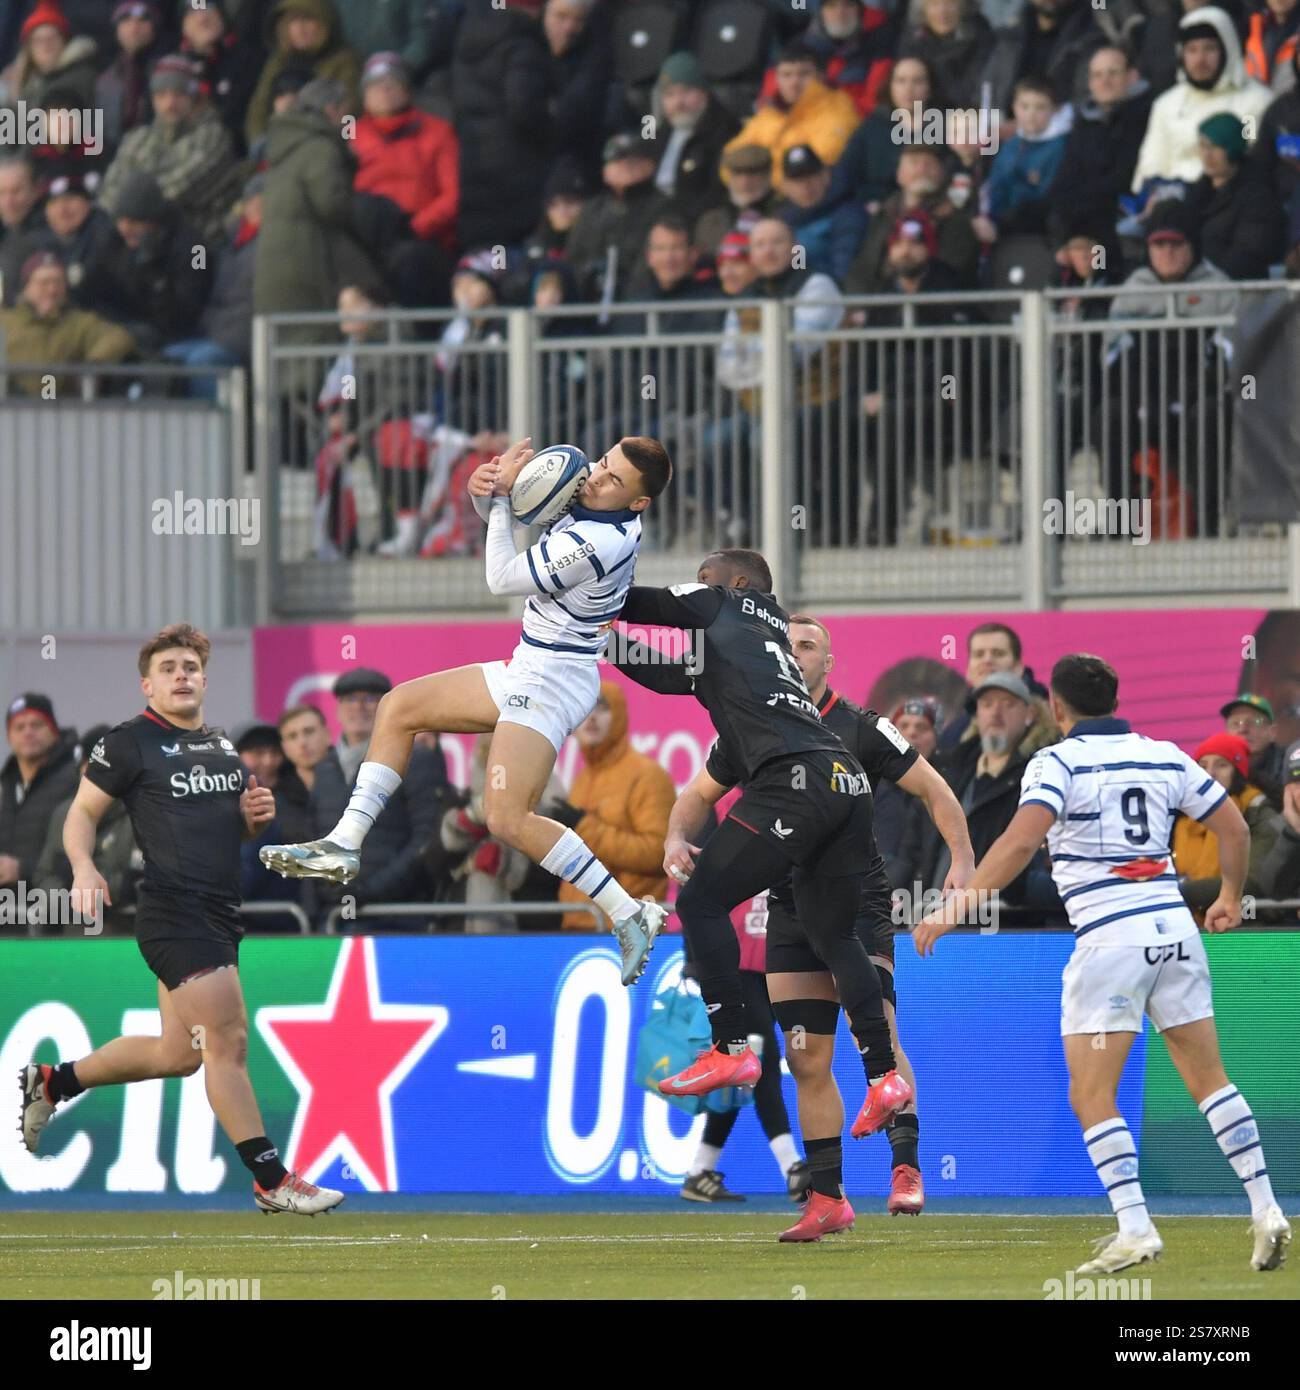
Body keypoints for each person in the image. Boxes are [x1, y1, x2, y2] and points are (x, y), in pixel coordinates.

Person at [915, 653, 1292, 1275]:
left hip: (1110, 938)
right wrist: (1227, 897)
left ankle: (1136, 1228)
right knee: (1212, 1080)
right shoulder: (1165, 753)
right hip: (1174, 929)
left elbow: (1018, 840)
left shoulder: (1056, 761)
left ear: (1056, 708)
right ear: (1115, 700)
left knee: (1091, 1092)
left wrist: (956, 906)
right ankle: (1266, 1207)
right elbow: (1234, 829)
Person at [259, 437, 674, 987]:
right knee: (399, 706)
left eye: (614, 480)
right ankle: (345, 843)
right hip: (530, 663)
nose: (597, 478)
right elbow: (522, 506)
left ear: (638, 503)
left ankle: (629, 912)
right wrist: (488, 488)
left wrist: (500, 505)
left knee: (506, 818)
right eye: (603, 464)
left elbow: (501, 578)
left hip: (554, 681)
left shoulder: (603, 538)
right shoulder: (593, 495)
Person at [608, 548, 914, 1242]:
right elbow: (663, 672)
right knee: (834, 936)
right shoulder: (757, 643)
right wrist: (603, 642)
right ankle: (881, 1081)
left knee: (702, 903)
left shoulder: (726, 604)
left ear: (735, 583)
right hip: (844, 784)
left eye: (707, 576)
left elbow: (640, 600)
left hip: (795, 779)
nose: (699, 588)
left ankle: (728, 1046)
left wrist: (577, 584)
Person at [21, 623, 344, 1215]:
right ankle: (271, 1179)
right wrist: (84, 869)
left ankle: (54, 1082)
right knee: (229, 1042)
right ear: (148, 683)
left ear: (203, 679)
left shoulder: (222, 746)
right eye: (168, 668)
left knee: (180, 1054)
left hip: (219, 915)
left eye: (190, 667)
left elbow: (233, 833)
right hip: (174, 913)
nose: (181, 675)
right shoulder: (129, 742)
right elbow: (80, 813)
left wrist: (255, 817)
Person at [760, 615, 976, 1221]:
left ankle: (904, 1167)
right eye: (786, 646)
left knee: (874, 1032)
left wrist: (961, 859)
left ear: (828, 663)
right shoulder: (754, 722)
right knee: (805, 1056)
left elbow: (934, 790)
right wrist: (680, 838)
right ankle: (826, 1196)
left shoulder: (862, 727)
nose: (795, 654)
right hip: (789, 908)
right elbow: (703, 792)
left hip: (857, 903)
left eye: (808, 646)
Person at [307, 667, 448, 924]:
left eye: (371, 699)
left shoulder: (416, 760)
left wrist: (369, 892)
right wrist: (317, 901)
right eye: (350, 699)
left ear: (388, 708)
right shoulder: (325, 768)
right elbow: (312, 837)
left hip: (397, 915)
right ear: (338, 709)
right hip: (332, 918)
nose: (359, 707)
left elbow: (426, 840)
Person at [917, 671, 1061, 909]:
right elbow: (918, 844)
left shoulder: (1041, 774)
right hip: (936, 914)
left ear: (1030, 715)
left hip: (1003, 924)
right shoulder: (950, 769)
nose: (996, 713)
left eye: (1009, 704)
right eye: (987, 704)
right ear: (976, 715)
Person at [557, 681, 675, 931]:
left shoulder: (648, 775)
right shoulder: (582, 779)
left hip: (629, 931)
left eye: (602, 707)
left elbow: (658, 854)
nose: (591, 717)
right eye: (584, 708)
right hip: (577, 926)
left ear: (619, 714)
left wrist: (585, 827)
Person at [99, 52, 243, 247]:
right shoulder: (137, 138)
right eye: (162, 95)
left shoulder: (213, 137)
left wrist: (132, 209)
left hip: (199, 246)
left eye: (178, 94)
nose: (169, 104)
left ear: (193, 97)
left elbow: (183, 188)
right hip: (136, 246)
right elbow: (109, 191)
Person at [1131, 6, 1272, 191]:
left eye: (1209, 48)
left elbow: (1249, 155)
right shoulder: (1167, 105)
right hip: (1167, 203)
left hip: (1225, 202)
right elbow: (1150, 165)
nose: (1200, 59)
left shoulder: (1253, 102)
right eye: (1192, 50)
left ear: (1227, 48)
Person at [1045, 44, 1155, 249]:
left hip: (1121, 216)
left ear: (1132, 77)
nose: (1105, 81)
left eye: (1113, 73)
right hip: (1082, 214)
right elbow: (1063, 181)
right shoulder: (1084, 123)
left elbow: (1126, 179)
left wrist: (1077, 200)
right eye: (1097, 75)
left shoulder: (1148, 117)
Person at [34, 723, 140, 931]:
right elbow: (42, 877)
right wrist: (65, 895)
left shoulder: (140, 812)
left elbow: (139, 883)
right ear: (80, 768)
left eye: (109, 764)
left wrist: (86, 886)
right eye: (91, 764)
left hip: (126, 936)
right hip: (72, 936)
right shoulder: (64, 813)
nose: (100, 772)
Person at [722, 40, 860, 197]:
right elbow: (730, 158)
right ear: (777, 79)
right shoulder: (769, 113)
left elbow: (816, 166)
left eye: (804, 74)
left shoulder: (838, 112)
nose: (794, 82)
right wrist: (743, 180)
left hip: (815, 199)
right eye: (786, 75)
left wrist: (756, 178)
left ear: (821, 76)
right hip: (760, 196)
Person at [1173, 732, 1285, 911]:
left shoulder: (1258, 813)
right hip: (1189, 921)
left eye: (1222, 765)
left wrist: (1179, 892)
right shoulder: (1182, 818)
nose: (1210, 773)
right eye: (1203, 766)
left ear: (1238, 773)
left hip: (1246, 924)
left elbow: (1254, 883)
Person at [0, 251, 135, 397]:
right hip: (13, 411)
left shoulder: (80, 322)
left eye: (58, 282)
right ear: (27, 287)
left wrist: (94, 365)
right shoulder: (6, 322)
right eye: (43, 283)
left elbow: (117, 337)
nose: (52, 290)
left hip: (66, 411)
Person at [563, 130, 670, 302]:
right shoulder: (592, 210)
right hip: (589, 303)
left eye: (633, 161)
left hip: (642, 302)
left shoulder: (665, 207)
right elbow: (573, 258)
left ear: (650, 165)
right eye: (617, 161)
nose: (625, 167)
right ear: (605, 171)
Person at [244, 0, 361, 147]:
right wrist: (259, 141)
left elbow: (350, 113)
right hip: (277, 147)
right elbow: (258, 107)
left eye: (307, 20)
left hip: (324, 147)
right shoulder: (278, 62)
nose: (300, 29)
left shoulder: (346, 61)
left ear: (325, 22)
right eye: (292, 22)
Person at [1184, 112, 1286, 277]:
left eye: (1216, 146)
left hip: (1233, 290)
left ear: (1233, 149)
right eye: (1203, 145)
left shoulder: (1258, 198)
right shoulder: (1196, 194)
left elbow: (1249, 255)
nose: (1207, 154)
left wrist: (1209, 281)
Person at [649, 52, 738, 232]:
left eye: (686, 92)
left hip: (695, 221)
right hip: (655, 218)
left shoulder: (725, 131)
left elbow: (717, 193)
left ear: (705, 93)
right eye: (670, 95)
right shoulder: (658, 132)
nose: (678, 102)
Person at [0, 693, 80, 892]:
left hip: (51, 909)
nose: (27, 732)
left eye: (36, 725)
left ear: (54, 731)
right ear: (9, 736)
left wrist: (23, 869)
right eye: (19, 727)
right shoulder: (5, 784)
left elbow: (82, 853)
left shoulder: (75, 779)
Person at [983, 76, 1070, 236]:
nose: (1031, 114)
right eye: (1025, 106)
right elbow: (995, 185)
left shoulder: (1060, 148)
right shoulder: (1010, 145)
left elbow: (1048, 197)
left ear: (1054, 110)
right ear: (1014, 108)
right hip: (996, 225)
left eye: (1040, 107)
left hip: (1035, 234)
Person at [774, 143, 868, 283]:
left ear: (825, 176)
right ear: (785, 186)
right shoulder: (782, 221)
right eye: (797, 181)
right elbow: (795, 265)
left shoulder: (848, 215)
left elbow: (843, 269)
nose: (805, 187)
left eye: (810, 177)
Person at [899, 0, 995, 109]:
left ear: (964, 6)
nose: (942, 11)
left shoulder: (981, 36)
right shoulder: (913, 37)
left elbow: (972, 92)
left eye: (951, 3)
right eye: (934, 4)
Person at [693, 144, 783, 256]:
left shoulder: (783, 215)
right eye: (737, 174)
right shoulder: (711, 221)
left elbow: (798, 261)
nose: (744, 183)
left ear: (767, 175)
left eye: (752, 174)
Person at [1221, 692, 1287, 810]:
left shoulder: (1289, 764)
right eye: (1235, 723)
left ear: (1272, 732)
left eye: (1254, 722)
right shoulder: (1215, 766)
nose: (1242, 729)